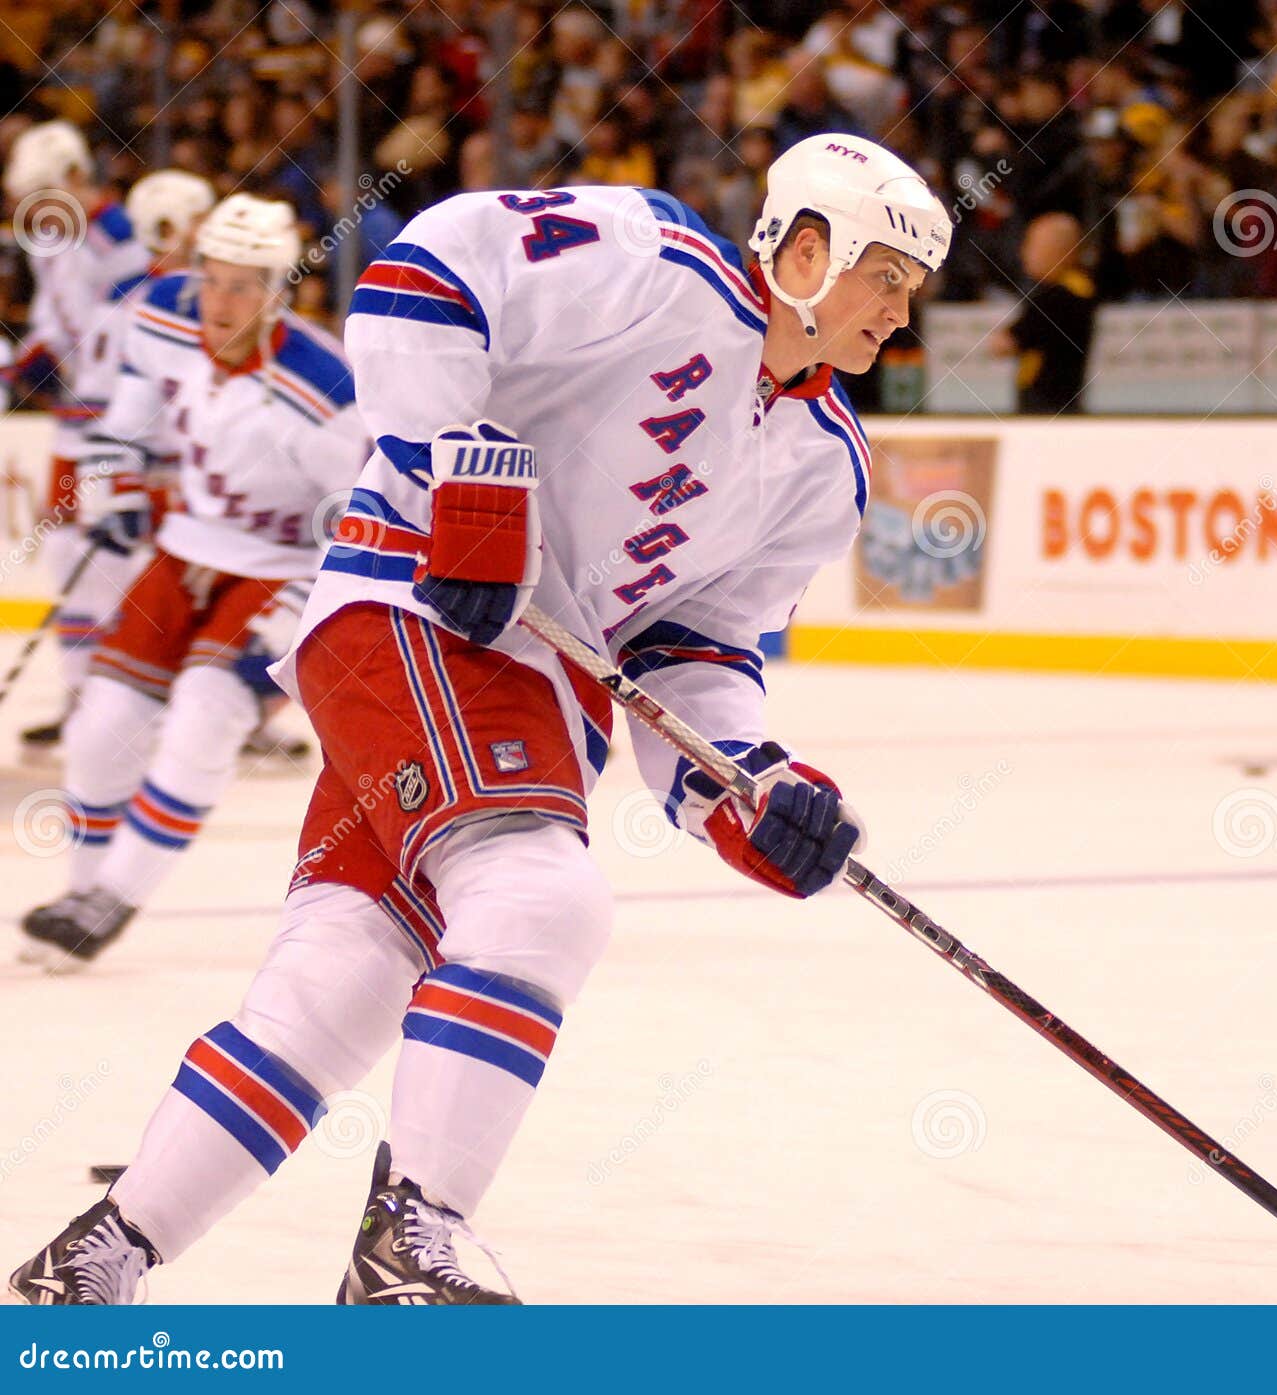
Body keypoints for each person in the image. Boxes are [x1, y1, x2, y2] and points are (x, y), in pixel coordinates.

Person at [9, 132, 952, 1305]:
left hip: (528, 689)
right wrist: (460, 467)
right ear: (804, 249)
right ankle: (412, 1239)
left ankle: (94, 1257)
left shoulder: (824, 467)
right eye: (886, 279)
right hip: (407, 611)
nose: (897, 317)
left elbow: (691, 653)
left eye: (908, 293)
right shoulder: (653, 261)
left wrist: (744, 781)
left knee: (335, 988)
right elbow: (425, 277)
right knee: (540, 896)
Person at [17, 193, 367, 972]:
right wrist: (120, 496)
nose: (221, 300)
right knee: (102, 720)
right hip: (187, 549)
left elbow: (365, 511)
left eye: (245, 285)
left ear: (279, 288)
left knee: (207, 712)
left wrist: (315, 607)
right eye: (214, 279)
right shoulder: (164, 314)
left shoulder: (325, 388)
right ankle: (77, 895)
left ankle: (112, 900)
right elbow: (128, 415)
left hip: (287, 567)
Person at [2, 121, 150, 747]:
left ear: (71, 178)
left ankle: (133, 702)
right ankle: (80, 699)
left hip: (120, 420)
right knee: (65, 553)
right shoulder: (51, 239)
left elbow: (130, 337)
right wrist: (15, 371)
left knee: (118, 565)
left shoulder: (119, 234)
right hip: (74, 419)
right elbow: (54, 330)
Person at [989, 212, 1096, 415]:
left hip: (1044, 406)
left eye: (1031, 245)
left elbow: (1005, 344)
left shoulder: (1056, 298)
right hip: (1064, 402)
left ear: (1057, 251)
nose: (1024, 253)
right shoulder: (1082, 290)